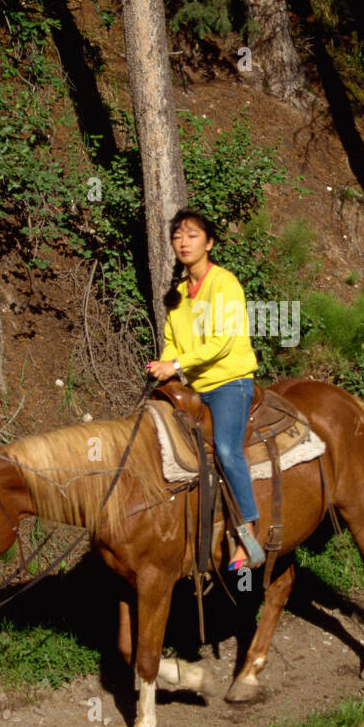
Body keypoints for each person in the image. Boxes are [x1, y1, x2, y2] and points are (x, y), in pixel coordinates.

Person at [146, 209, 264, 571]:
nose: (184, 242)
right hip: (193, 387)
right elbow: (171, 341)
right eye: (178, 236)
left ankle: (248, 532)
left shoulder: (224, 284)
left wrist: (177, 366)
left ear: (209, 243)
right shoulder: (179, 293)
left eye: (192, 235)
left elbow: (223, 343)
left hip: (229, 383)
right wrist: (164, 369)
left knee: (228, 451)